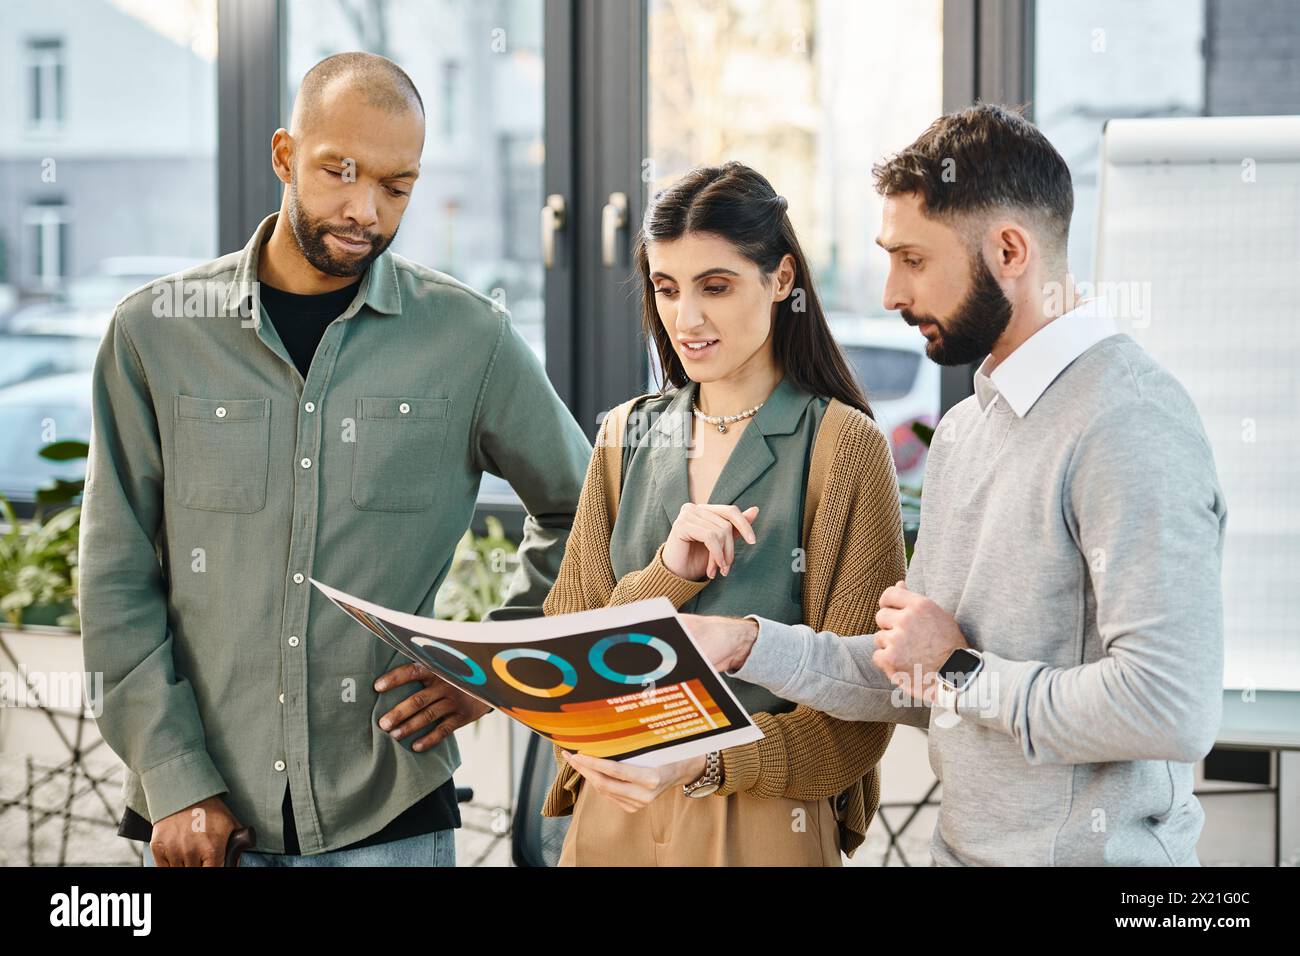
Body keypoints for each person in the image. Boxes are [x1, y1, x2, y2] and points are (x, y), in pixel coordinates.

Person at [79, 52, 590, 867]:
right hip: (201, 826)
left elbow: (588, 508)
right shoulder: (154, 334)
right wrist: (174, 776)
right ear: (285, 156)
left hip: (389, 818)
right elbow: (114, 574)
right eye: (339, 172)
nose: (365, 210)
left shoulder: (470, 340)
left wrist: (494, 668)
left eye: (397, 186)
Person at [682, 104, 1228, 866]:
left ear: (1009, 250)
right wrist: (746, 645)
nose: (889, 293)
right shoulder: (969, 428)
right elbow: (914, 678)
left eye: (912, 259)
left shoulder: (1127, 422)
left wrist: (962, 670)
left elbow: (1170, 707)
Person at [538, 161, 908, 866]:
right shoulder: (625, 435)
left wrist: (705, 761)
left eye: (716, 286)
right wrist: (667, 577)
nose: (687, 319)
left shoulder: (842, 446)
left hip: (767, 823)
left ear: (781, 281)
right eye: (668, 288)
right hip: (611, 817)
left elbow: (863, 707)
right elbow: (562, 657)